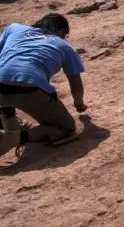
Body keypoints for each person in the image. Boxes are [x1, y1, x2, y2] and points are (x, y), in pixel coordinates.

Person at [0, 14, 86, 157]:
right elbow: (75, 83)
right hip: (28, 88)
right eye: (65, 35)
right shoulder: (65, 46)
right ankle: (15, 137)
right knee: (66, 128)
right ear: (61, 31)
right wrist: (79, 104)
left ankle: (8, 121)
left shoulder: (14, 28)